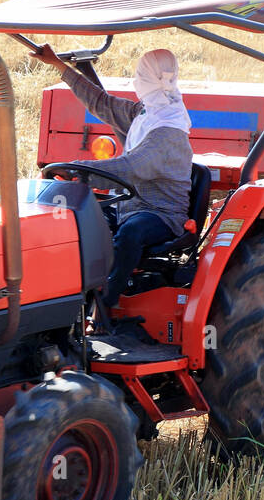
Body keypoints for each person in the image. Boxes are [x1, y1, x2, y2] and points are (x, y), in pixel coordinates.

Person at [31, 45, 193, 307]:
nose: (136, 80)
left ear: (149, 79)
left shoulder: (167, 133)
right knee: (76, 218)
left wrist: (73, 169)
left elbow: (128, 168)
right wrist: (60, 66)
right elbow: (102, 104)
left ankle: (105, 306)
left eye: (140, 75)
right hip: (129, 205)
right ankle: (63, 296)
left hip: (161, 213)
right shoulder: (147, 113)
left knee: (131, 232)